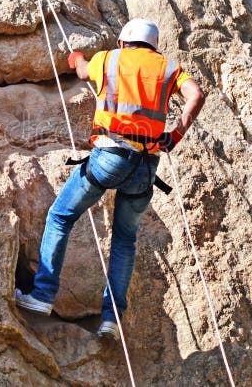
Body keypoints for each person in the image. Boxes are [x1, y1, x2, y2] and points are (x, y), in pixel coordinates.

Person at [15, 19, 205, 341]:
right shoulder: (168, 68)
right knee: (124, 241)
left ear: (123, 42)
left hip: (110, 157)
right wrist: (176, 134)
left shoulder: (110, 59)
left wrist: (76, 58)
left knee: (60, 216)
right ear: (153, 45)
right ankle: (111, 320)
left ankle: (43, 295)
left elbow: (82, 71)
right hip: (145, 167)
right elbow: (196, 95)